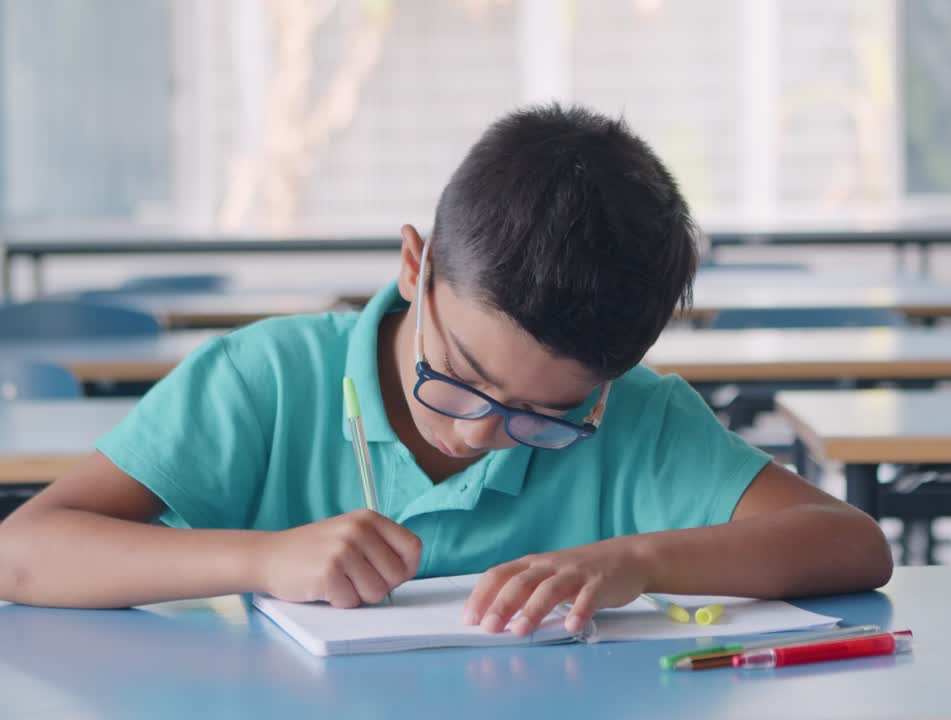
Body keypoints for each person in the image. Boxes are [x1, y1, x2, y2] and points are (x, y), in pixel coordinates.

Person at [0, 105, 891, 637]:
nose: (475, 431)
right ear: (415, 266)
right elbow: (22, 554)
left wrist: (641, 560)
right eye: (459, 373)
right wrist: (264, 559)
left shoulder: (637, 421)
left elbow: (855, 543)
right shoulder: (261, 379)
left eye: (543, 414)